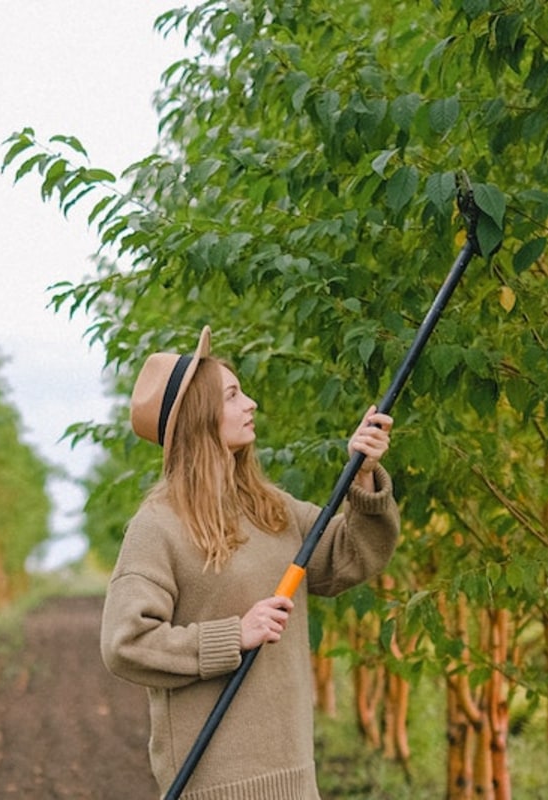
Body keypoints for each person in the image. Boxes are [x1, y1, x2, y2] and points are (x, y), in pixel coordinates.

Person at [101, 327, 402, 799]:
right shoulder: (158, 526)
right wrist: (232, 636)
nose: (251, 404)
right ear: (201, 416)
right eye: (233, 395)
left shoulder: (270, 509)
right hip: (215, 782)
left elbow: (349, 555)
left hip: (294, 774)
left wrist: (362, 474)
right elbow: (126, 642)